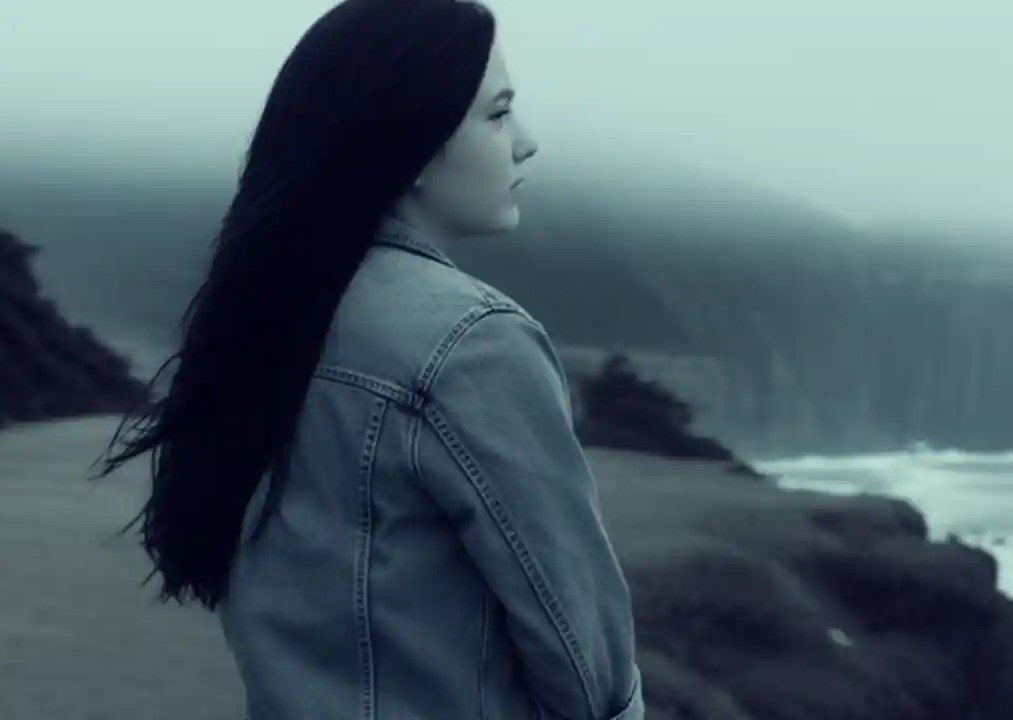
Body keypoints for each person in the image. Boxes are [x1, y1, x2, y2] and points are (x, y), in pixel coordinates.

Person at [87, 1, 645, 718]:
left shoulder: (267, 315)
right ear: (411, 140)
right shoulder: (472, 341)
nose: (526, 142)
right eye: (499, 113)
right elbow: (584, 656)